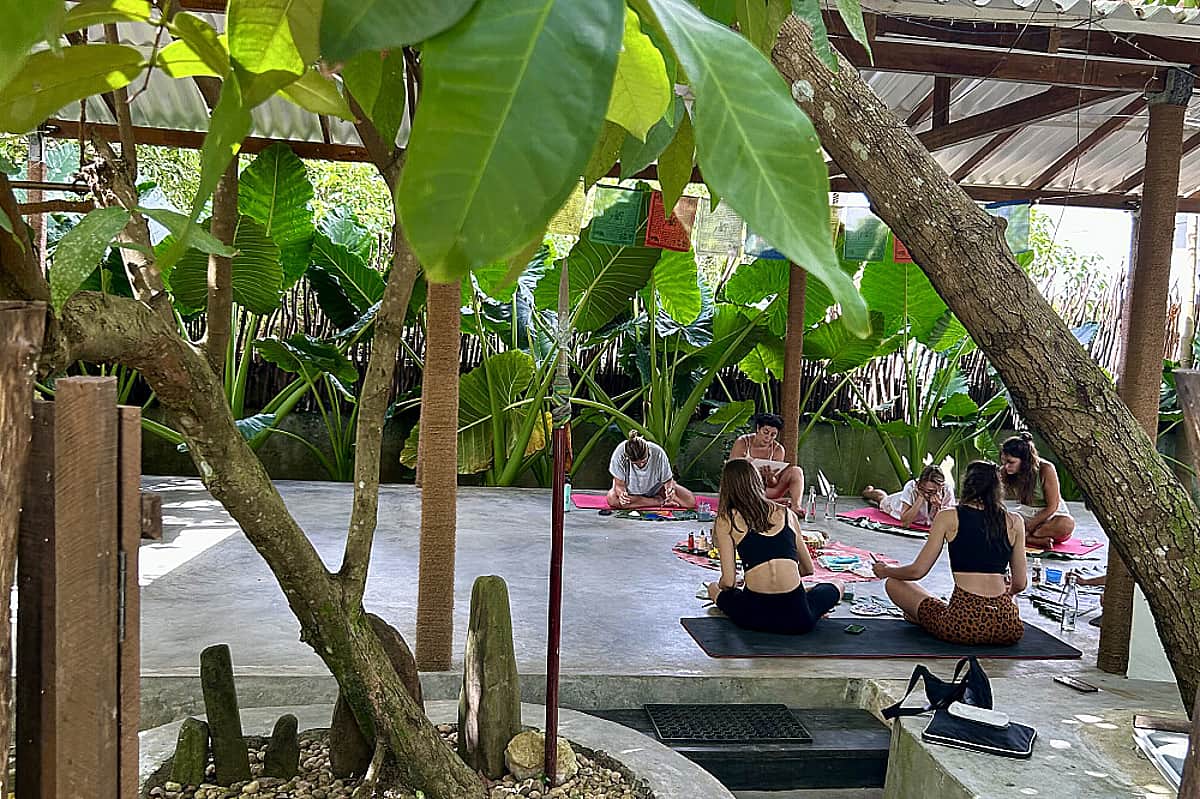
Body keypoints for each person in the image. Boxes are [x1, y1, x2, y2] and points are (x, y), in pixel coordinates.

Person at [872, 461, 1027, 646]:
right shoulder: (1015, 521)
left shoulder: (948, 516)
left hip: (962, 625)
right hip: (1007, 627)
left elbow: (917, 572)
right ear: (998, 488)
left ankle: (925, 617)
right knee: (1006, 591)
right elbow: (1019, 584)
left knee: (894, 584)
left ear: (967, 485)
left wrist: (886, 570)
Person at [705, 459, 843, 634]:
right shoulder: (788, 514)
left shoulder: (726, 519)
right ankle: (797, 595)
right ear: (757, 482)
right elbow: (808, 569)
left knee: (713, 588)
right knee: (837, 584)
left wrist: (738, 583)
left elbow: (729, 581)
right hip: (799, 619)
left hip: (753, 617)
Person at [1000, 432, 1075, 550]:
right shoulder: (1005, 471)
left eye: (1011, 462)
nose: (1006, 466)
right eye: (1004, 462)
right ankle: (1036, 540)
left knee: (1067, 524)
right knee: (998, 522)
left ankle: (1026, 537)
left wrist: (1029, 528)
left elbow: (1052, 507)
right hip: (1026, 513)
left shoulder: (1046, 468)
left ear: (1024, 460)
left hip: (1050, 514)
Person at [727, 413, 806, 512]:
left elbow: (773, 484)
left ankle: (795, 506)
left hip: (767, 491)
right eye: (765, 432)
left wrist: (769, 476)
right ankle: (771, 503)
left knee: (796, 471)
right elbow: (731, 473)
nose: (768, 437)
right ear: (758, 428)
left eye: (773, 435)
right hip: (744, 489)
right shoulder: (743, 442)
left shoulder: (778, 450)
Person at [607, 431, 696, 509]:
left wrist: (669, 491)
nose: (640, 465)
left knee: (689, 502)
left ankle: (644, 501)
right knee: (612, 499)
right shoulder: (620, 453)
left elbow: (668, 480)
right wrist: (622, 495)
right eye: (636, 463)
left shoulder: (657, 452)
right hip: (630, 491)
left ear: (648, 451)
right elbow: (619, 485)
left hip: (655, 488)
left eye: (643, 461)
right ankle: (657, 502)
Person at [861, 465, 956, 529]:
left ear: (941, 487)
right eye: (926, 490)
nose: (929, 494)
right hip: (896, 505)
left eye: (933, 491)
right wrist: (920, 497)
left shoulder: (947, 490)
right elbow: (905, 523)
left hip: (924, 520)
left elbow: (947, 524)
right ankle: (868, 491)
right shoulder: (911, 486)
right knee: (881, 498)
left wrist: (939, 507)